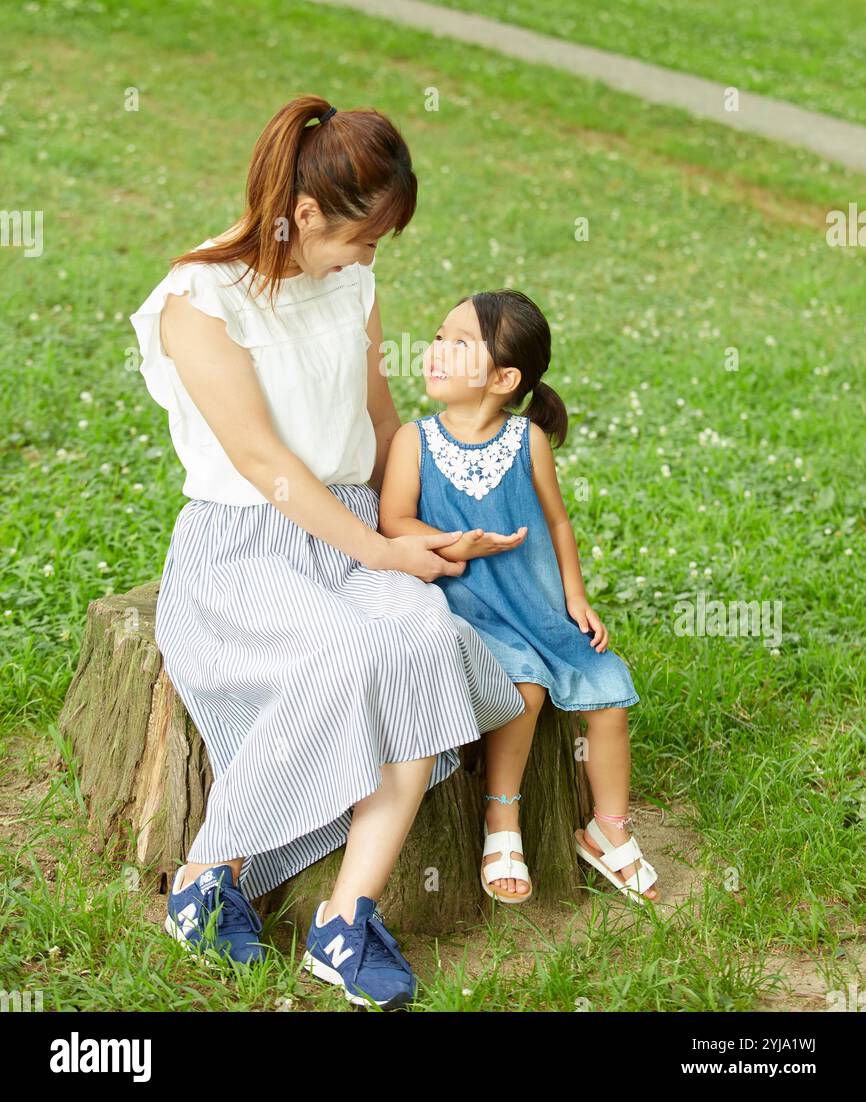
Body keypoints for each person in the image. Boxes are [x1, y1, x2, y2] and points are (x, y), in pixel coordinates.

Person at [128, 95, 526, 1010]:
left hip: (353, 529)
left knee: (422, 642)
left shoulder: (351, 285)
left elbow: (380, 417)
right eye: (367, 237)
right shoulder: (198, 300)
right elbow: (266, 465)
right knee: (342, 657)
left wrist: (406, 527)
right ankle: (204, 876)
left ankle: (345, 922)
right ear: (306, 214)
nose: (371, 258)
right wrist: (378, 553)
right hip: (246, 546)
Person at [378, 289, 660, 907]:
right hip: (468, 607)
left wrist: (577, 597)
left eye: (459, 344)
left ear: (504, 378)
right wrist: (457, 542)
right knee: (524, 687)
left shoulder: (526, 441)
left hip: (534, 602)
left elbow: (558, 523)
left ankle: (607, 829)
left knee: (608, 690)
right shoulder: (413, 441)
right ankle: (502, 818)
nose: (437, 352)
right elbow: (395, 521)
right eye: (438, 336)